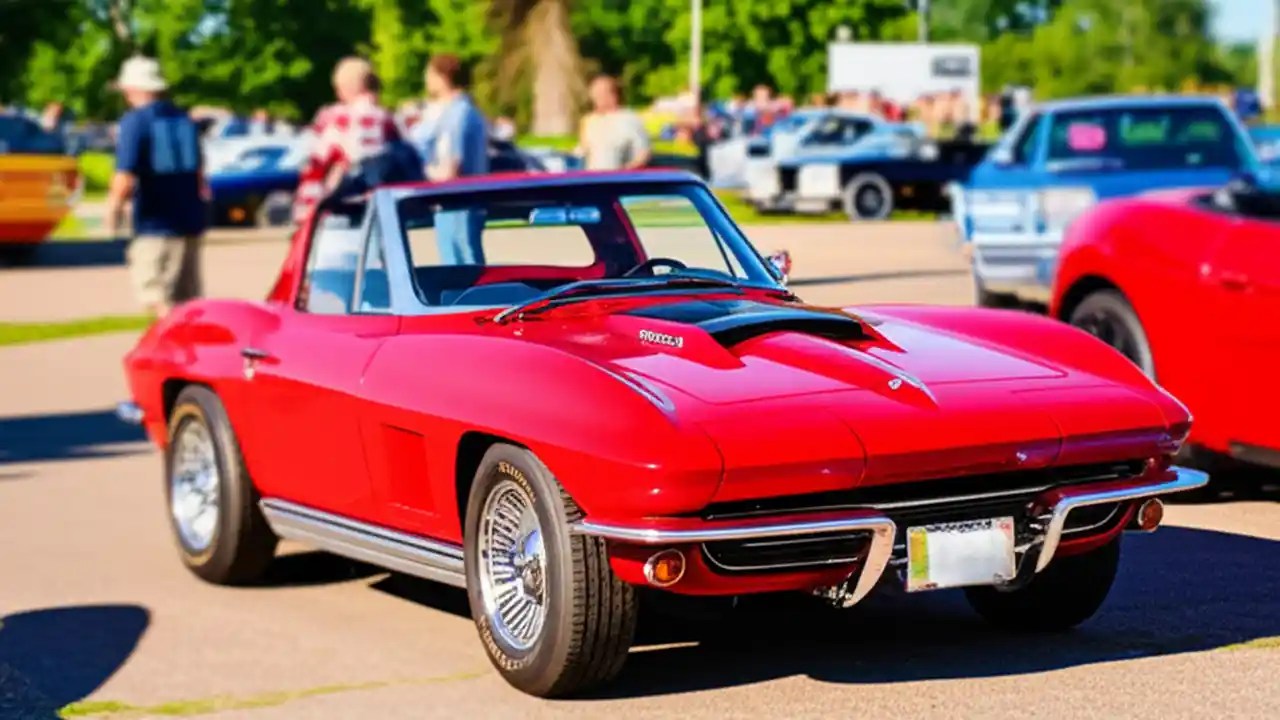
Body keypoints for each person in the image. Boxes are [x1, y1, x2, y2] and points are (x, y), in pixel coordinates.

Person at [104, 56, 208, 318]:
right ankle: (189, 353)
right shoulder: (184, 119)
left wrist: (112, 211)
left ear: (133, 89)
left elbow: (125, 174)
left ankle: (171, 349)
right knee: (187, 300)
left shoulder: (135, 122)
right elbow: (199, 172)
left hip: (155, 223)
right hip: (190, 219)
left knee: (155, 294)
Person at [291, 57, 402, 226]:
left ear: (346, 87)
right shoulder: (387, 119)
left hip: (341, 212)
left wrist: (305, 211)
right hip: (383, 211)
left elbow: (315, 165)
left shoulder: (334, 118)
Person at [409, 53, 490, 266]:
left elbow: (452, 163)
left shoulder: (457, 113)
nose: (426, 80)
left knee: (461, 263)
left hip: (456, 199)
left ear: (443, 77)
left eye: (430, 74)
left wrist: (423, 172)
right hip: (459, 200)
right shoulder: (463, 110)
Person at [576, 74, 651, 170]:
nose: (596, 99)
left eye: (600, 94)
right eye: (594, 94)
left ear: (614, 95)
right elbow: (582, 151)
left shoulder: (629, 119)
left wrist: (626, 171)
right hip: (592, 179)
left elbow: (643, 153)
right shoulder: (589, 121)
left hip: (618, 178)